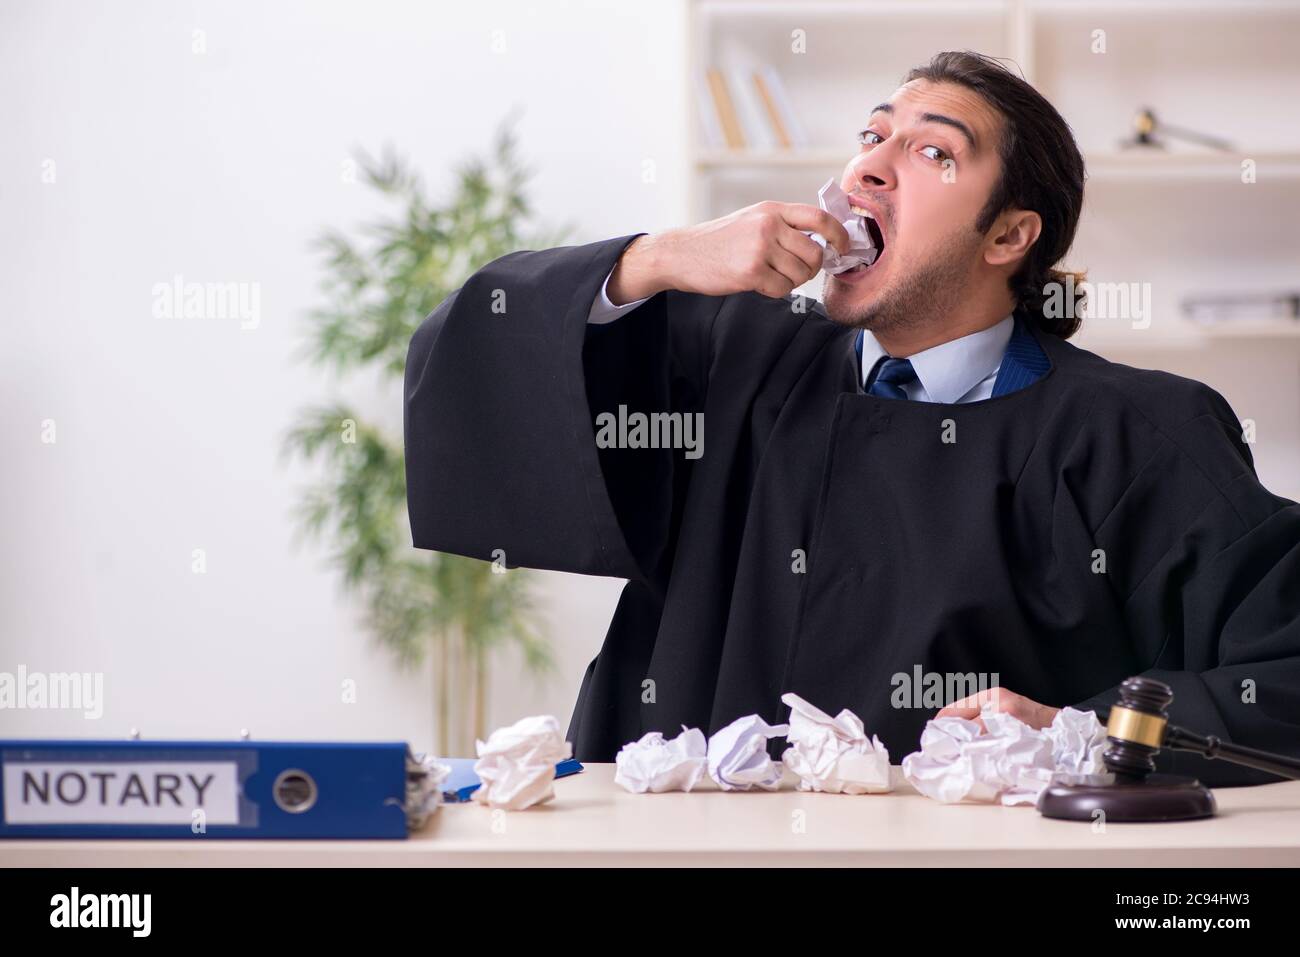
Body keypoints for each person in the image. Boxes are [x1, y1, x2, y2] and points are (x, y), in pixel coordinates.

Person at [404, 51, 1300, 785]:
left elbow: (1283, 678)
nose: (868, 164)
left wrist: (1084, 729)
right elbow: (474, 356)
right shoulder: (728, 358)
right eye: (872, 135)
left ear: (1009, 237)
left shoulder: (1138, 435)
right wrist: (659, 256)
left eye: (933, 153)